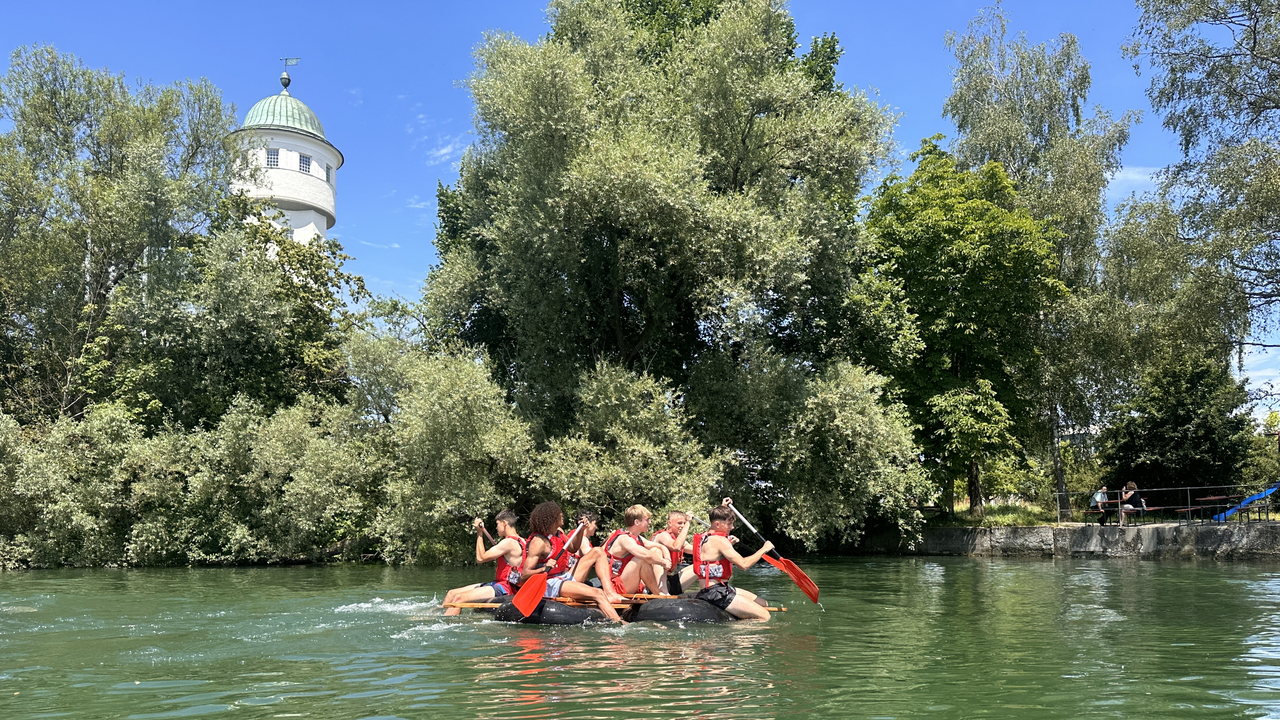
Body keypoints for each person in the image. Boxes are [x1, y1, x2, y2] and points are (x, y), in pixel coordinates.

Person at [519, 501, 624, 622]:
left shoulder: (559, 534)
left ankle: (610, 593)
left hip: (562, 577)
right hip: (549, 583)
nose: (562, 515)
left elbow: (573, 548)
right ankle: (619, 623)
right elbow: (524, 575)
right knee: (597, 593)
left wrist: (581, 530)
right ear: (552, 518)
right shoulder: (539, 542)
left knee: (598, 551)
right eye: (559, 514)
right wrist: (544, 568)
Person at [690, 502, 775, 621]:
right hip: (716, 593)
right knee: (765, 616)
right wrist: (764, 549)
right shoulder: (720, 540)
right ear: (717, 524)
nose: (732, 527)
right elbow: (744, 565)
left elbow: (716, 520)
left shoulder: (704, 537)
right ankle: (733, 636)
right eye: (729, 524)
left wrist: (723, 507)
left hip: (714, 588)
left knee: (763, 603)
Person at [443, 510, 525, 616]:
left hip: (505, 588)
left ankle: (445, 626)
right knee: (452, 593)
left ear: (504, 523)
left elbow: (480, 558)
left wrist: (479, 533)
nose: (496, 528)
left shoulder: (508, 542)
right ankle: (438, 616)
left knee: (459, 598)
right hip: (499, 583)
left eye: (497, 524)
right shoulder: (523, 540)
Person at [604, 505, 673, 595]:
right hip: (617, 587)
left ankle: (663, 591)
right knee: (641, 559)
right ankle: (657, 594)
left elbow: (662, 547)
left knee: (656, 550)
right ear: (636, 522)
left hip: (630, 581)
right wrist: (663, 563)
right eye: (647, 519)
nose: (650, 522)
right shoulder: (624, 539)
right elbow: (646, 555)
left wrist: (668, 560)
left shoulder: (639, 538)